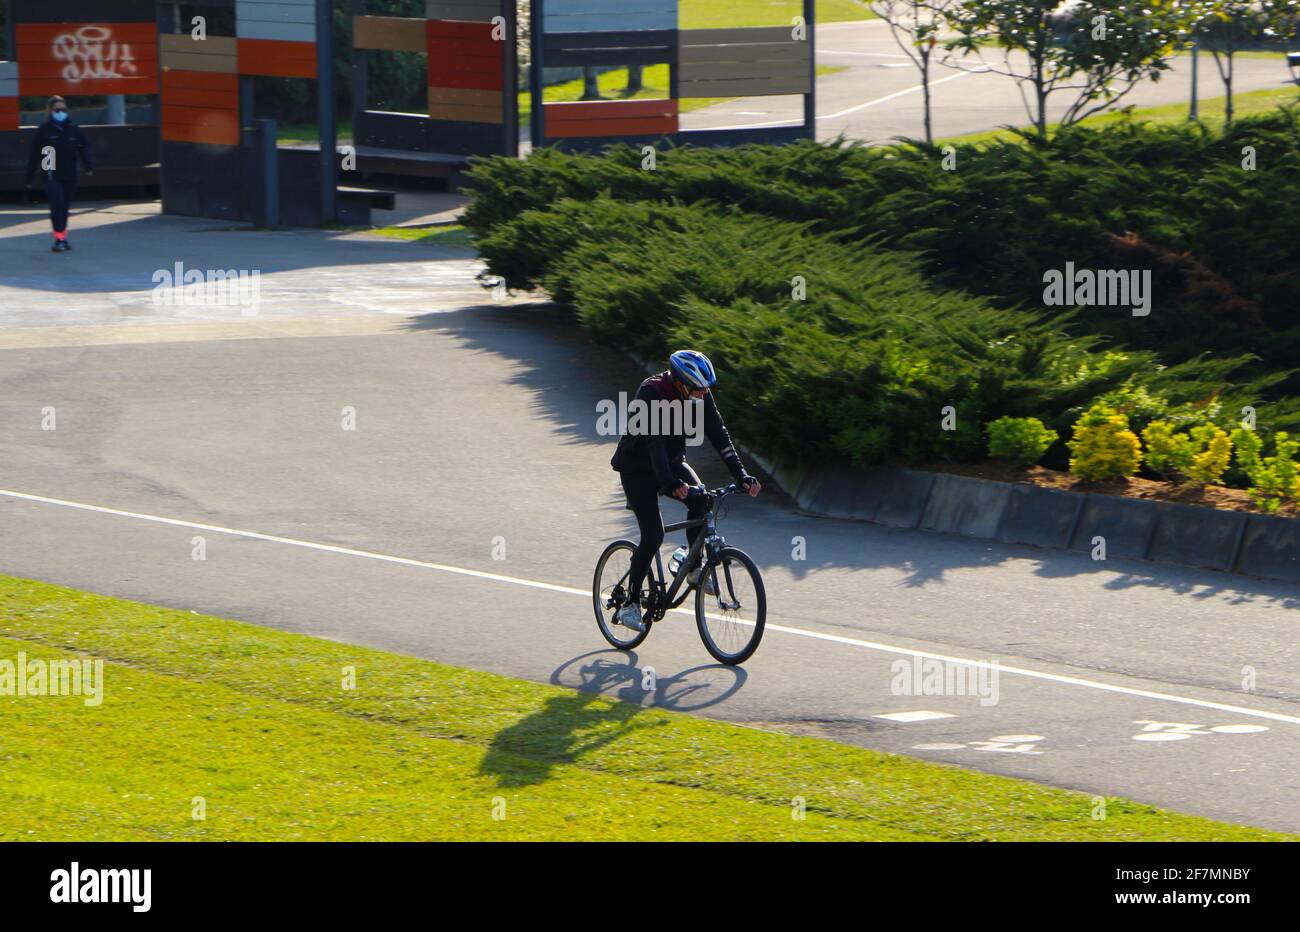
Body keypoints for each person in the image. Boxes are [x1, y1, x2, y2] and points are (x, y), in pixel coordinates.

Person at [610, 350, 761, 632]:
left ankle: (693, 568)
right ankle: (629, 603)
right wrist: (671, 485)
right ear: (681, 383)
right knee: (653, 534)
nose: (704, 394)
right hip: (638, 470)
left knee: (702, 500)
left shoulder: (699, 394)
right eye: (699, 388)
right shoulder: (651, 392)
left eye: (707, 389)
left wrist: (740, 474)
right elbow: (653, 443)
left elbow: (719, 433)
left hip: (670, 463)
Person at [25, 96, 95, 252]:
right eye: (57, 109)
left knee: (65, 207)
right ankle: (59, 239)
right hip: (50, 172)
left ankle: (63, 236)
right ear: (50, 111)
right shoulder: (44, 131)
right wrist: (28, 178)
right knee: (57, 205)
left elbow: (84, 148)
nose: (60, 112)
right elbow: (34, 155)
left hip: (70, 173)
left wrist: (88, 166)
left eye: (63, 109)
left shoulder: (74, 129)